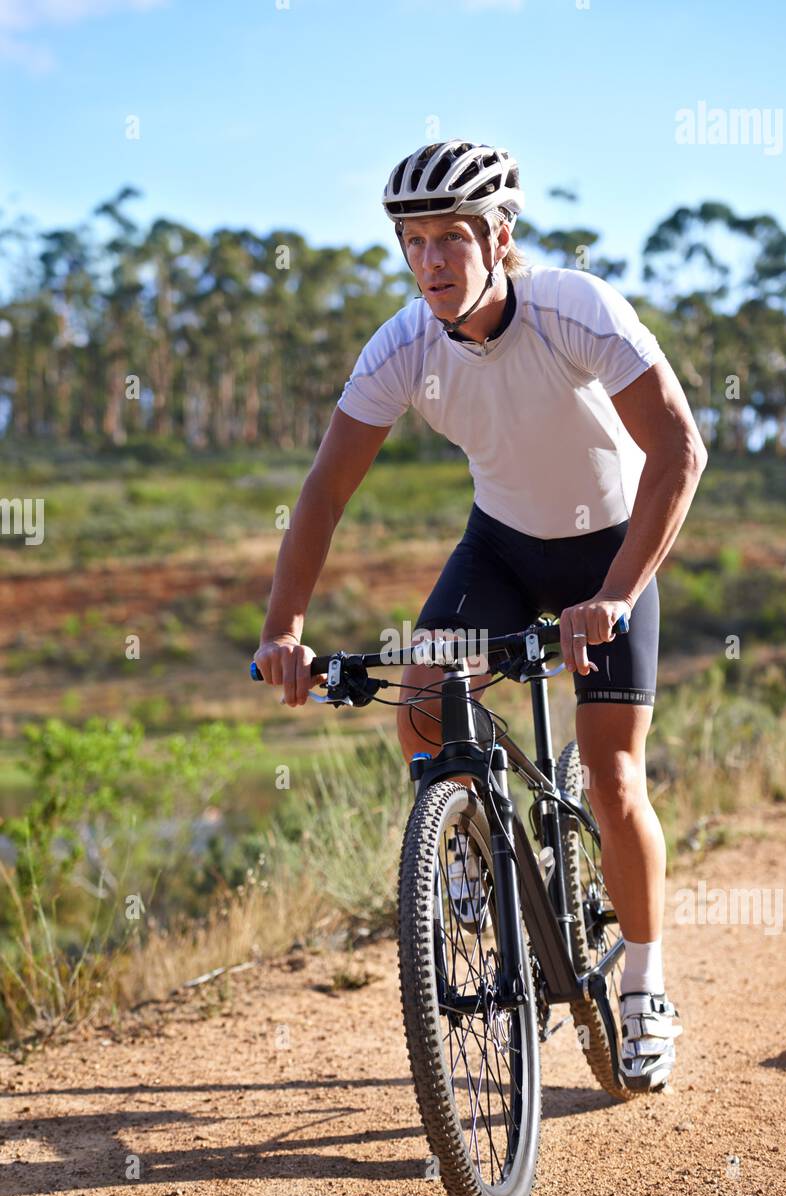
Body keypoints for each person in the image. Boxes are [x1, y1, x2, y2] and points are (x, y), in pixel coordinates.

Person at [254, 139, 706, 1092]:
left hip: (608, 549)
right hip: (499, 546)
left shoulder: (574, 310)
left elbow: (676, 453)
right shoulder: (402, 347)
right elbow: (324, 493)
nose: (429, 261)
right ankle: (458, 842)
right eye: (412, 241)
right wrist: (282, 631)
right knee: (421, 694)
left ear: (500, 236)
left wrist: (616, 594)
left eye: (450, 238)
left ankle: (642, 985)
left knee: (614, 777)